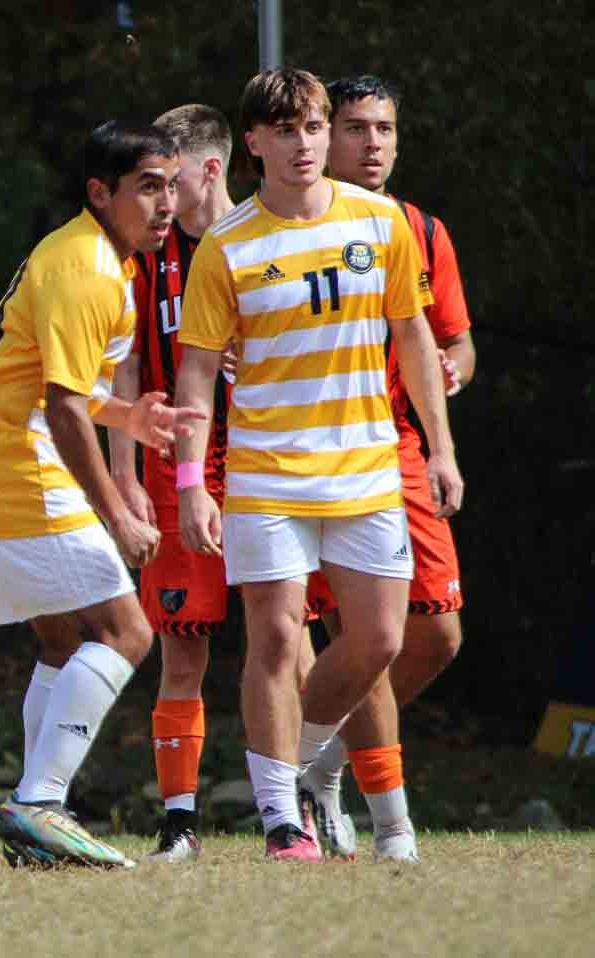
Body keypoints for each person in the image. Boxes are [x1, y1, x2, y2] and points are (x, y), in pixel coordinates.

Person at [173, 68, 462, 862]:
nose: (303, 144)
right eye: (285, 131)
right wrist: (194, 485)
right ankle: (279, 823)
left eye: (313, 127)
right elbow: (196, 374)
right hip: (267, 475)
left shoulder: (380, 222)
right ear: (255, 143)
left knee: (378, 639)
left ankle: (296, 763)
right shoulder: (228, 244)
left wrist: (441, 450)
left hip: (366, 469)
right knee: (272, 634)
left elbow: (414, 338)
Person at [0, 119, 202, 869]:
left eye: (171, 186)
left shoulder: (94, 257)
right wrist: (117, 509)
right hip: (11, 467)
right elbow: (58, 406)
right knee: (128, 633)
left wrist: (126, 415)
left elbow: (60, 390)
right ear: (99, 192)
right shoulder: (86, 270)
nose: (165, 203)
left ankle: (34, 818)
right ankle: (41, 803)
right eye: (148, 186)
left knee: (63, 641)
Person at [298, 74, 477, 860]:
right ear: (322, 136)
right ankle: (389, 826)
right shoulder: (282, 224)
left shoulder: (420, 229)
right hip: (309, 455)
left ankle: (315, 763)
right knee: (361, 636)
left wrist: (453, 373)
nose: (373, 143)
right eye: (356, 127)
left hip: (399, 449)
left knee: (434, 636)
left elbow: (455, 338)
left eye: (385, 128)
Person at [105, 104, 236, 863]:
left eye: (167, 176)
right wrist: (123, 474)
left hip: (265, 461)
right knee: (181, 646)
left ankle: (306, 807)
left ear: (208, 170)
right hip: (170, 461)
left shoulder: (261, 239)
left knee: (292, 637)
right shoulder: (144, 256)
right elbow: (124, 362)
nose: (155, 193)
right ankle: (180, 822)